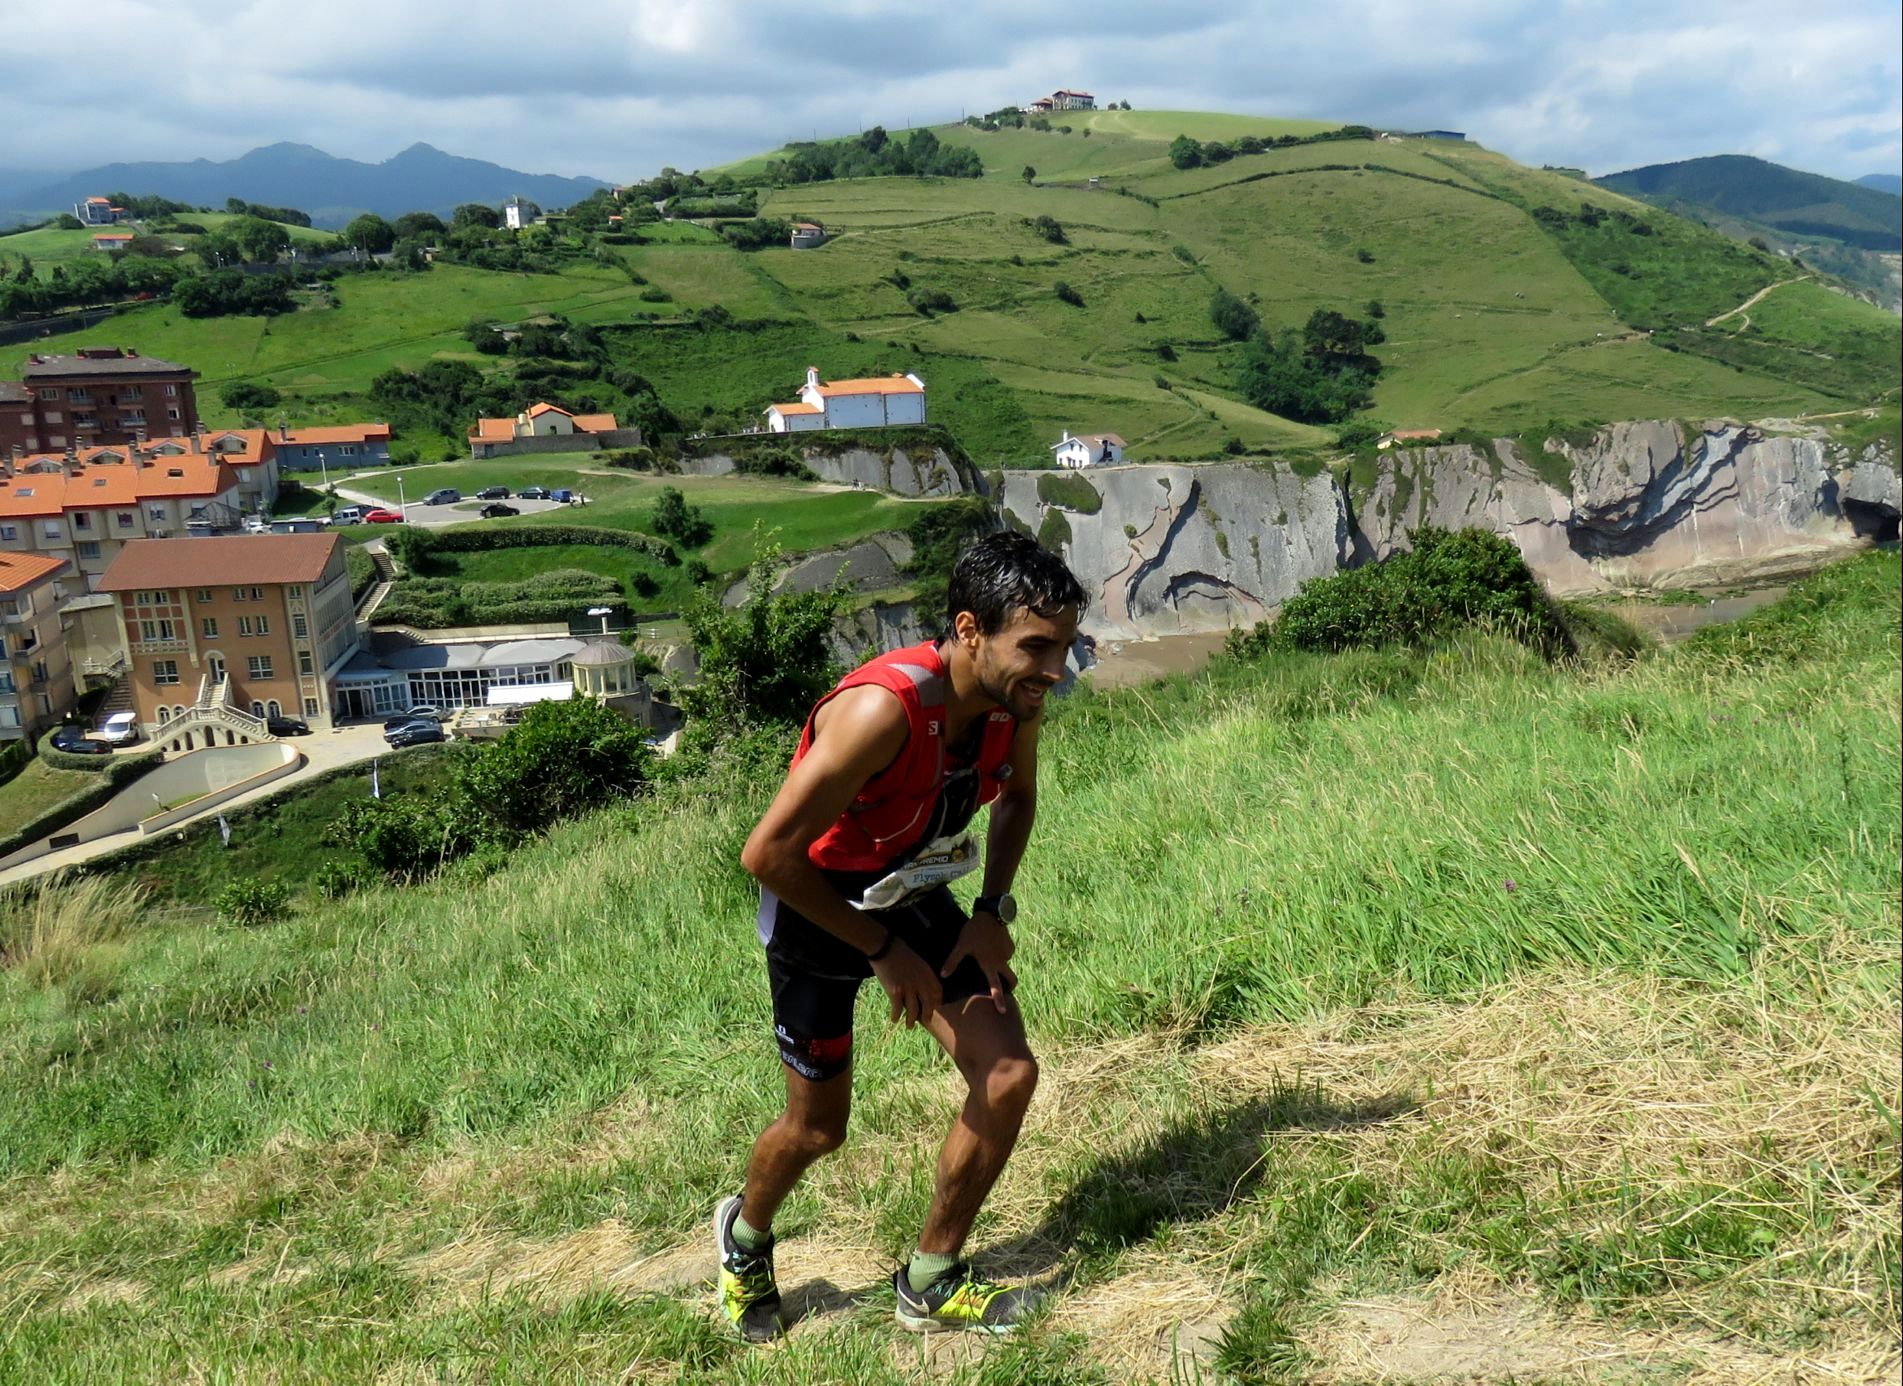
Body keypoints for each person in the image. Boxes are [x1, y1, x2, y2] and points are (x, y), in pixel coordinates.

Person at [715, 533, 1086, 1340]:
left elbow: (1017, 798)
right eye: (1035, 647)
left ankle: (930, 1278)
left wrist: (991, 912)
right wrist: (883, 952)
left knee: (1006, 1075)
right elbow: (767, 855)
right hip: (816, 903)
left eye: (1062, 646)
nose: (1053, 669)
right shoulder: (883, 710)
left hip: (908, 886)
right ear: (967, 630)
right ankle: (744, 1240)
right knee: (818, 1129)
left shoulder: (1016, 698)